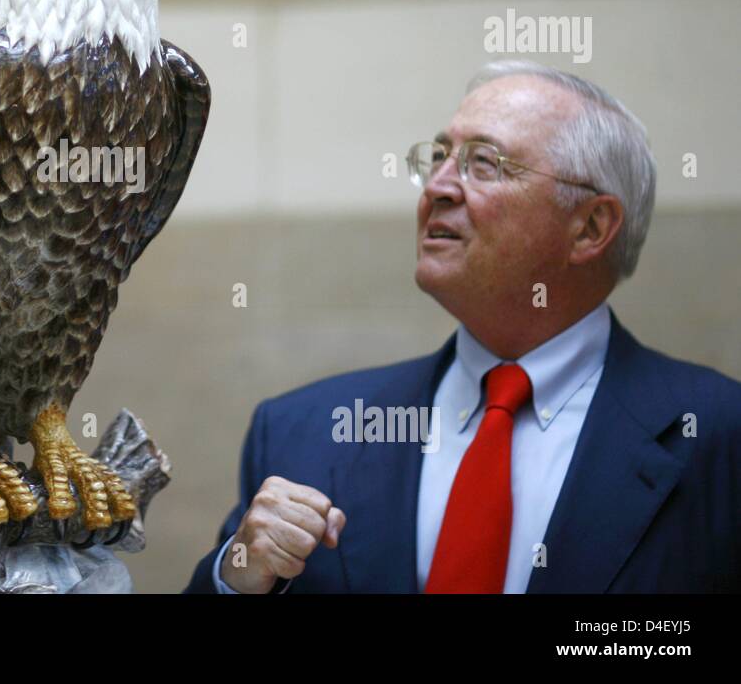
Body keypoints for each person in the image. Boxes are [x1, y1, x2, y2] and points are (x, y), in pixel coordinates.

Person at [185, 60, 741, 594]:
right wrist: (236, 580)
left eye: (484, 164)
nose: (438, 188)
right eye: (440, 157)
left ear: (590, 227)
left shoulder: (717, 437)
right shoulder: (303, 432)